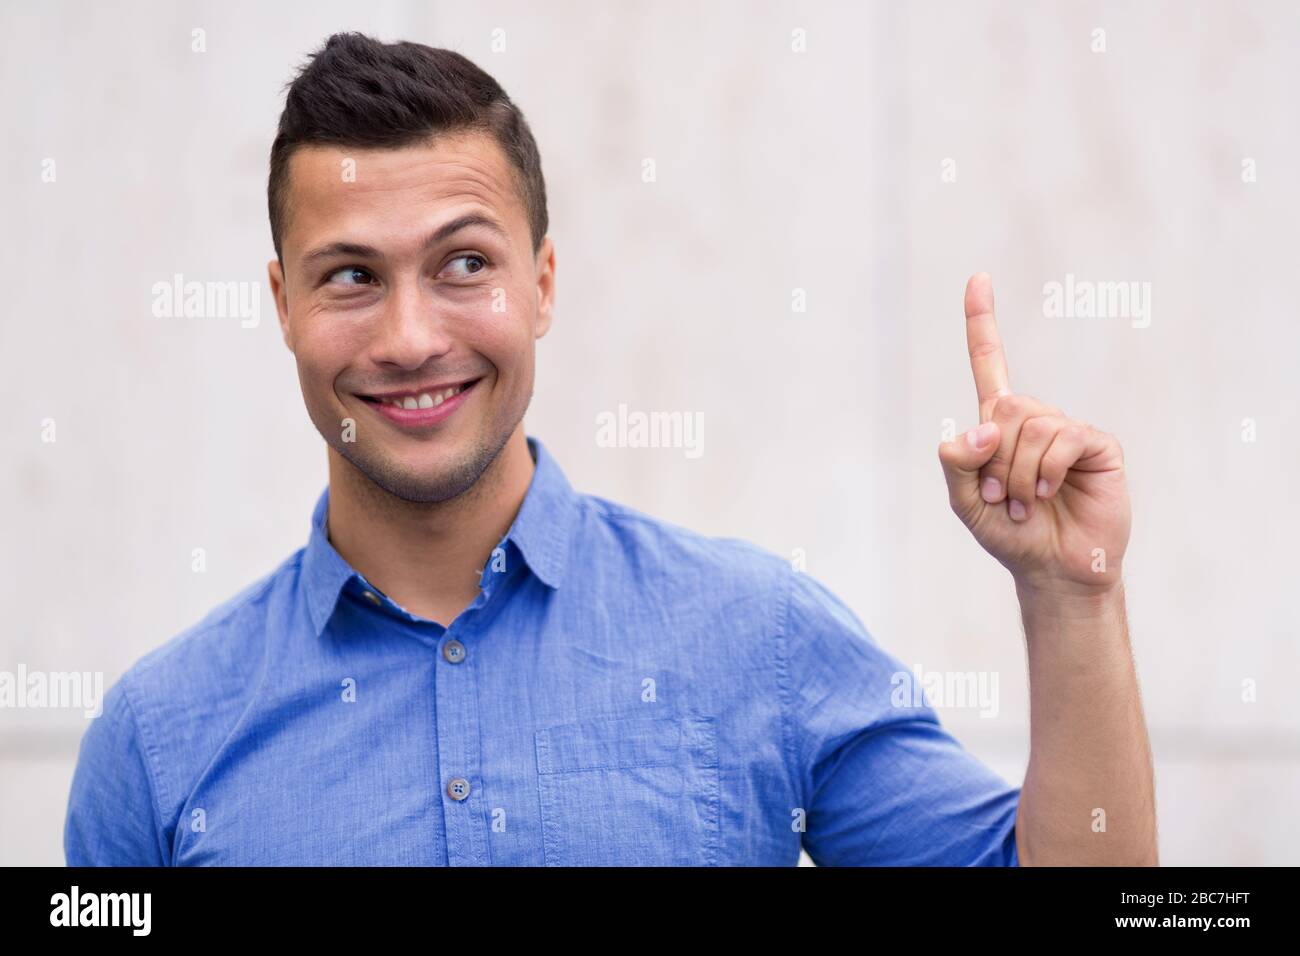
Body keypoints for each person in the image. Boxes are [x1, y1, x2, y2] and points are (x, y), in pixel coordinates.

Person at [64, 32, 1156, 866]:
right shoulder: (157, 741)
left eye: (462, 264)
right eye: (350, 274)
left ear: (540, 283)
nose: (409, 337)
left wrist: (1072, 596)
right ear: (283, 303)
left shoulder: (756, 639)